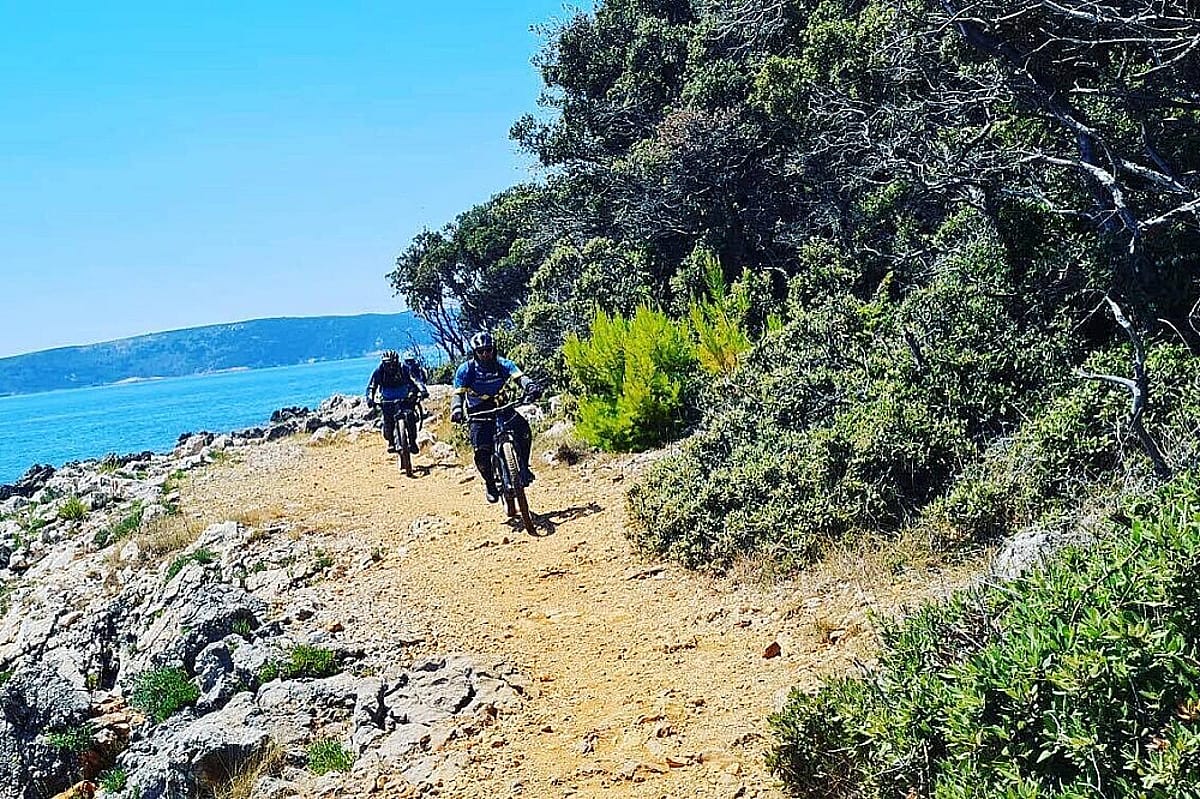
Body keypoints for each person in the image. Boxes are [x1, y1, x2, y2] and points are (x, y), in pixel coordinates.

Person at [449, 332, 541, 503]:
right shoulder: (466, 370)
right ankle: (490, 484)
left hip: (501, 406)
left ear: (494, 349)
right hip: (478, 412)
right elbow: (458, 394)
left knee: (523, 431)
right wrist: (456, 410)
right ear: (475, 352)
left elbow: (519, 377)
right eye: (480, 351)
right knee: (481, 453)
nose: (485, 354)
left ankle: (524, 467)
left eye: (488, 350)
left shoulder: (502, 364)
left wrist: (530, 387)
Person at [366, 350, 425, 454]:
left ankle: (412, 441)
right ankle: (391, 442)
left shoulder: (403, 368)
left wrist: (422, 390)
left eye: (393, 364)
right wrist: (370, 399)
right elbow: (372, 386)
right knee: (388, 419)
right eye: (388, 364)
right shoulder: (379, 371)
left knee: (410, 416)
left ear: (397, 362)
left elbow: (415, 380)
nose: (391, 367)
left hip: (404, 396)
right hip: (387, 399)